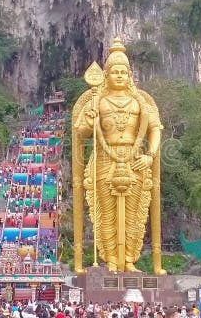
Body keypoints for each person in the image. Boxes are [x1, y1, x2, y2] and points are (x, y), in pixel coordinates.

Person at [72, 38, 165, 274]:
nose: (120, 75)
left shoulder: (140, 102)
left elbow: (155, 129)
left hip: (135, 159)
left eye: (124, 71)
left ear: (130, 74)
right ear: (106, 74)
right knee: (107, 213)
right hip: (105, 157)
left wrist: (150, 155)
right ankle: (111, 260)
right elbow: (81, 131)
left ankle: (130, 260)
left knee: (134, 213)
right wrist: (91, 120)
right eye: (115, 71)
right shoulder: (97, 100)